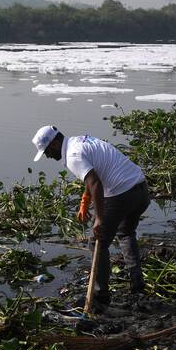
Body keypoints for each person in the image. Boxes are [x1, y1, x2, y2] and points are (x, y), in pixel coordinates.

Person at [31, 124, 150, 311]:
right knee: (126, 233)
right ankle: (137, 284)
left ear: (54, 144)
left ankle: (100, 296)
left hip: (123, 193)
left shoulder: (72, 156)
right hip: (141, 189)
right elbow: (93, 176)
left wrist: (99, 218)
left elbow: (95, 183)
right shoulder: (79, 141)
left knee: (97, 242)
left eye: (46, 151)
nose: (47, 156)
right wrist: (85, 202)